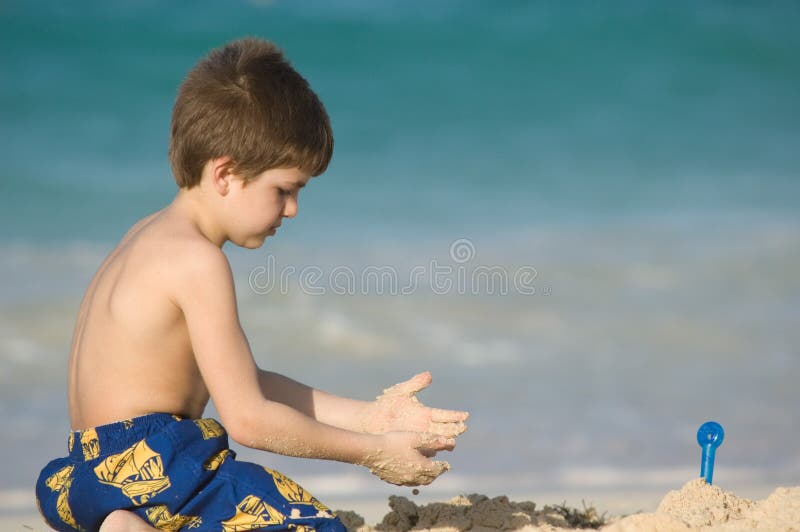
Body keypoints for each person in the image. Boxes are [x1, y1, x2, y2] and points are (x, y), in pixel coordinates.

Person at [35, 37, 469, 532]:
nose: (292, 210)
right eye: (284, 190)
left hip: (84, 480)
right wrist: (374, 453)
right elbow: (249, 419)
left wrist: (370, 417)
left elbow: (245, 382)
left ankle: (124, 521)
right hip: (160, 469)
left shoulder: (145, 236)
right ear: (225, 173)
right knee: (315, 524)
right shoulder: (198, 261)